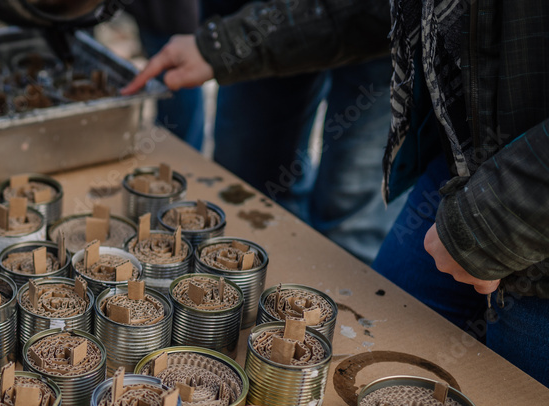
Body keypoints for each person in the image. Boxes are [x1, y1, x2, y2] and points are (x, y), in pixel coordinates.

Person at [122, 1, 549, 385]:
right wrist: (230, 43)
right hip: (465, 160)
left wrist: (496, 223)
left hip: (527, 224)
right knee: (388, 351)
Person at [197, 0, 400, 263]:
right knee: (245, 190)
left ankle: (342, 283)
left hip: (386, 30)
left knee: (350, 218)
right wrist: (227, 39)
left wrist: (228, 41)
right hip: (260, 13)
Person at [124, 0, 206, 150]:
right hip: (149, 16)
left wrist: (212, 48)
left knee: (179, 124)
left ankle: (180, 154)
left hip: (172, 20)